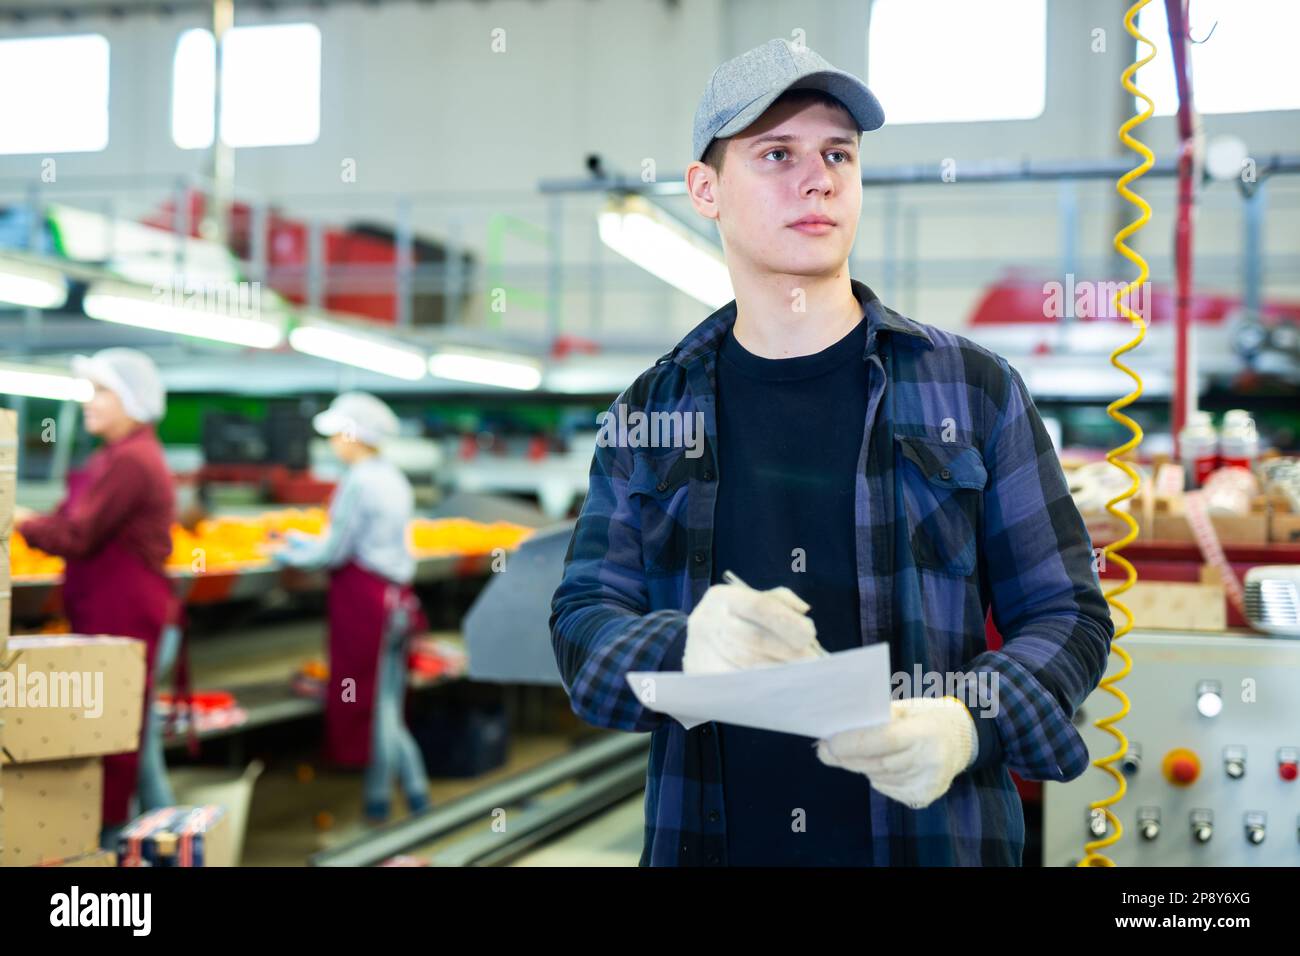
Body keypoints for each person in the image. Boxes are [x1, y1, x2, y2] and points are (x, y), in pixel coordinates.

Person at [549, 38, 1114, 866]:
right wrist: (685, 651)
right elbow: (582, 625)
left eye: (838, 155)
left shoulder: (972, 390)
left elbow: (1068, 615)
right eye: (777, 153)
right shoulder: (649, 412)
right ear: (705, 188)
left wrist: (970, 720)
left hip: (930, 845)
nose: (817, 179)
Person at [14, 347, 180, 845]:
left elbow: (78, 535)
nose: (89, 402)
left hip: (124, 618)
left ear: (131, 401)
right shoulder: (117, 455)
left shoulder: (130, 460)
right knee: (136, 738)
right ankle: (173, 845)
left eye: (102, 392)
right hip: (113, 615)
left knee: (117, 740)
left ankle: (113, 847)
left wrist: (20, 520)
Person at [273, 391, 431, 821]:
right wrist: (310, 543)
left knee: (374, 706)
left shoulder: (359, 481)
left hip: (368, 604)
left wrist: (292, 552)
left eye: (336, 434)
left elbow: (335, 551)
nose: (331, 443)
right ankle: (405, 796)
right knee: (386, 702)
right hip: (396, 601)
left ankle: (393, 801)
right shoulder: (392, 477)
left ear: (353, 435)